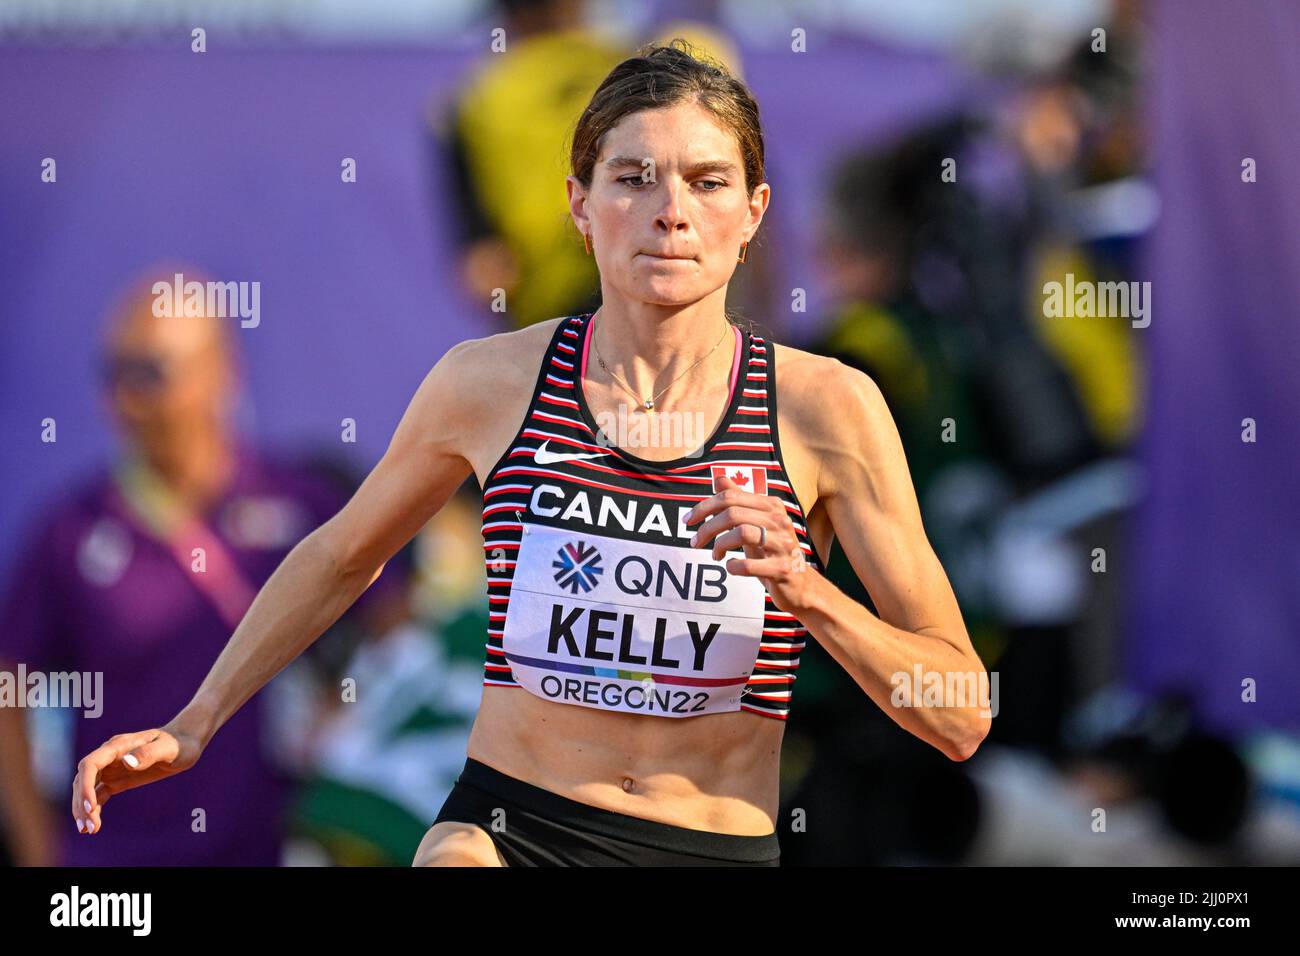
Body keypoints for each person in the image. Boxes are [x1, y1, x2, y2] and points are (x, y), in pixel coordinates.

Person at [69, 41, 989, 867]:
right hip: (511, 828)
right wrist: (196, 724)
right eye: (634, 178)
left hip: (712, 843)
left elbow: (958, 715)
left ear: (753, 214)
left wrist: (809, 592)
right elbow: (345, 553)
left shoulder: (828, 409)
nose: (671, 213)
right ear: (580, 206)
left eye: (707, 183)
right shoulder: (490, 383)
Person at [0, 276, 349, 865]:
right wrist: (40, 853)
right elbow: (8, 690)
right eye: (115, 374)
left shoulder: (300, 504)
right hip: (117, 869)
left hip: (276, 847)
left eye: (150, 373)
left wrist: (347, 719)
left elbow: (404, 634)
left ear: (221, 372)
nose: (125, 399)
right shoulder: (71, 530)